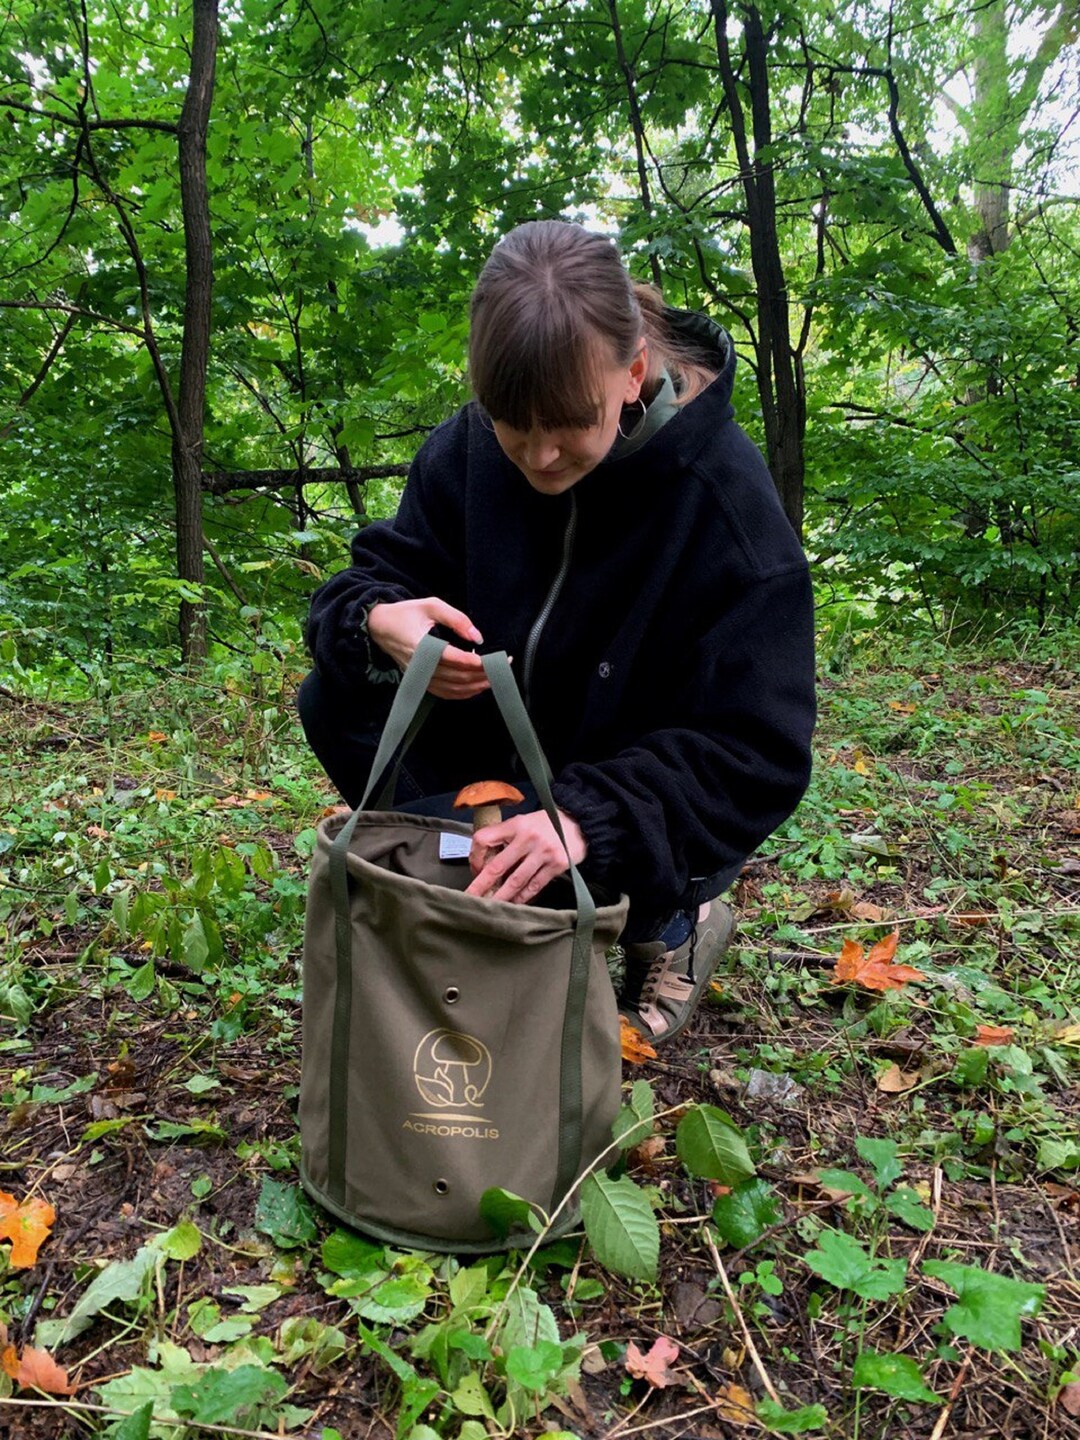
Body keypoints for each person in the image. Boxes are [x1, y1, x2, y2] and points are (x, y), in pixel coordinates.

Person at [300, 220, 815, 1043]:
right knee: (336, 696)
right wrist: (377, 619)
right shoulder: (469, 449)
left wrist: (587, 818)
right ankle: (487, 887)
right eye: (513, 423)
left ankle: (671, 922)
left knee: (603, 841)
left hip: (617, 782)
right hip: (502, 769)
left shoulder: (728, 515)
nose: (538, 457)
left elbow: (758, 753)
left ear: (632, 373)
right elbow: (376, 574)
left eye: (569, 423)